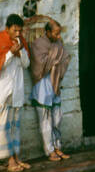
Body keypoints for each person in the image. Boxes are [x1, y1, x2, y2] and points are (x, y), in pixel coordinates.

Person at [0, 14, 31, 172]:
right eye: (15, 30)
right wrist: (11, 53)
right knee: (3, 129)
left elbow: (26, 64)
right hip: (2, 93)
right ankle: (10, 162)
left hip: (16, 92)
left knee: (14, 128)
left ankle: (17, 158)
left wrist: (21, 53)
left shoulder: (21, 42)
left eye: (20, 31)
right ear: (7, 29)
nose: (18, 34)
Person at [28, 18, 70, 161]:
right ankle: (49, 151)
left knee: (57, 118)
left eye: (59, 34)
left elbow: (65, 57)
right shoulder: (38, 44)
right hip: (42, 86)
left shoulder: (58, 43)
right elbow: (39, 64)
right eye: (56, 34)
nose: (59, 37)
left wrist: (55, 61)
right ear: (47, 32)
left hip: (55, 84)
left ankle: (58, 147)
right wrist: (55, 59)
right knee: (45, 120)